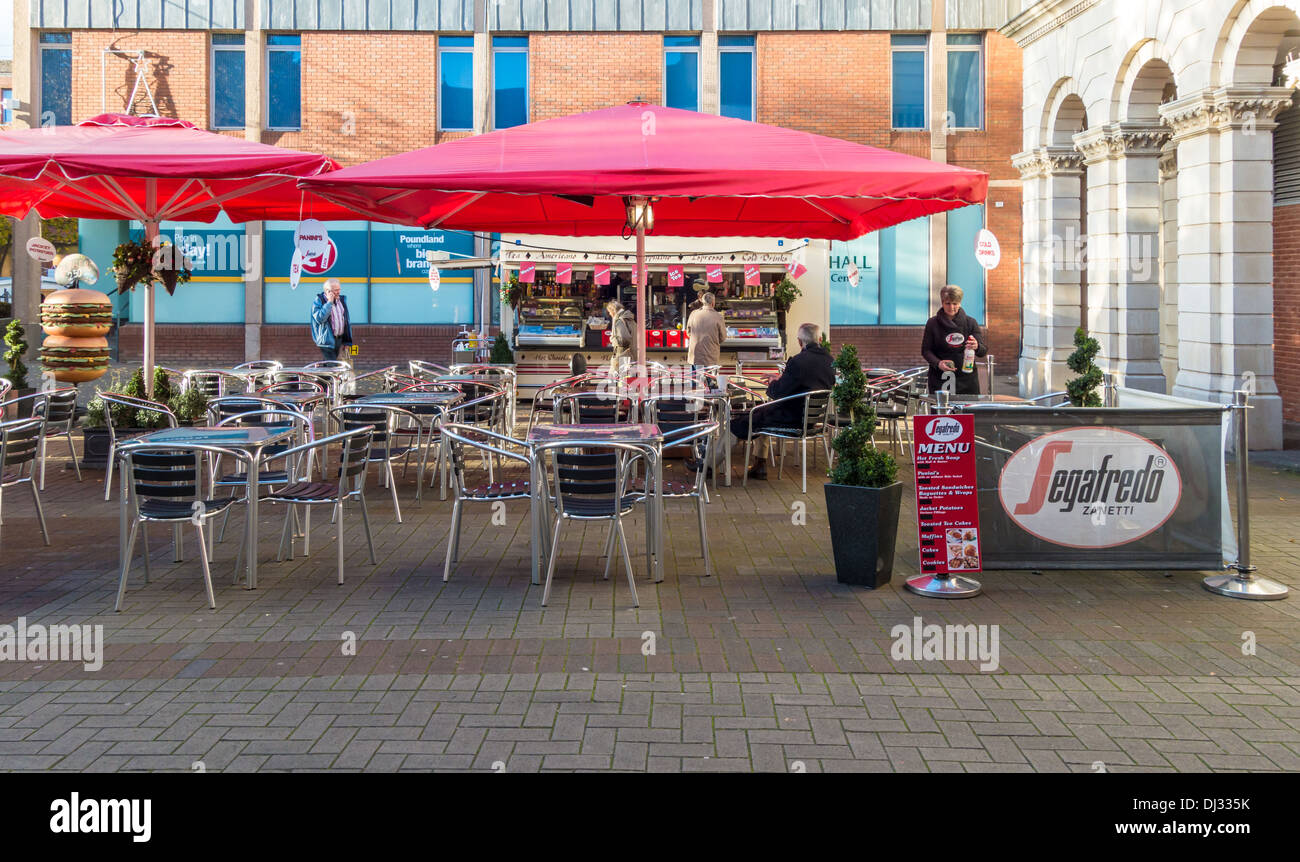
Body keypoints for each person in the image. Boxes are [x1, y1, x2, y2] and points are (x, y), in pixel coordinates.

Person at [693, 322, 834, 479]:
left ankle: (708, 466)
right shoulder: (829, 361)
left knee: (739, 423)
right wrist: (782, 378)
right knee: (761, 416)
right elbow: (805, 383)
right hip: (811, 419)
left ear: (800, 341)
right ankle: (760, 465)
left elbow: (778, 393)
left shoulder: (798, 361)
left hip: (791, 418)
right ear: (819, 339)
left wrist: (773, 383)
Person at [921, 284, 987, 395]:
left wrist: (977, 346)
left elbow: (983, 351)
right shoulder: (933, 323)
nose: (951, 307)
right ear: (942, 303)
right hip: (940, 378)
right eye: (948, 303)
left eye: (955, 304)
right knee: (941, 411)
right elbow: (926, 350)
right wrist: (938, 363)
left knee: (966, 411)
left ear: (960, 303)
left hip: (967, 380)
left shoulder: (970, 323)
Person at [311, 278, 353, 361]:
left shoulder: (341, 300)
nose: (338, 292)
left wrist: (347, 341)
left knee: (328, 364)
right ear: (328, 291)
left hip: (339, 339)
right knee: (332, 364)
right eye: (335, 290)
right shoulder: (319, 301)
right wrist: (329, 303)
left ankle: (321, 372)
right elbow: (320, 319)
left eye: (339, 289)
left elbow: (345, 321)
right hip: (326, 340)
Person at [684, 288, 725, 370]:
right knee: (708, 381)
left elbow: (688, 333)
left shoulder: (693, 314)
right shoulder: (719, 316)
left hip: (695, 356)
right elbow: (722, 337)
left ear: (703, 302)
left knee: (695, 380)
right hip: (710, 357)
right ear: (713, 303)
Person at [606, 299, 636, 375]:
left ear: (613, 310)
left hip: (623, 355)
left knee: (615, 379)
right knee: (628, 379)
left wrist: (612, 339)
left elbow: (624, 340)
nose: (609, 314)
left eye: (609, 312)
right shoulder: (629, 319)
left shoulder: (620, 321)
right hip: (632, 353)